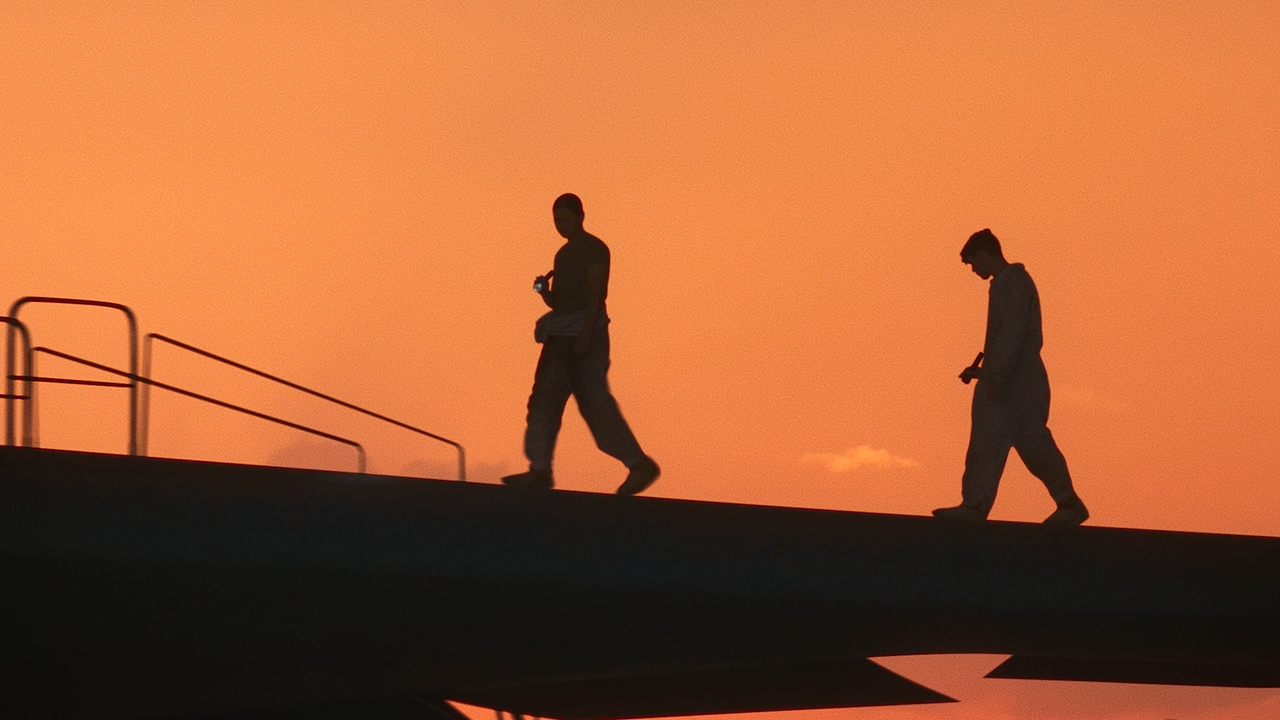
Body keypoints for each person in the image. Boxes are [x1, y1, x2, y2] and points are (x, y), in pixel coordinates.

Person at [501, 193, 660, 495]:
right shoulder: (562, 256)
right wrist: (544, 292)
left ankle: (638, 464)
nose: (561, 225)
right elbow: (561, 304)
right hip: (559, 337)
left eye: (566, 219)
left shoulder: (595, 249)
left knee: (595, 404)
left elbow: (597, 295)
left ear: (580, 217)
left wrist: (586, 334)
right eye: (557, 220)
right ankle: (539, 469)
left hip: (585, 335)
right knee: (543, 402)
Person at [934, 229, 1089, 525]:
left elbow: (1013, 334)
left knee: (1034, 445)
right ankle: (974, 506)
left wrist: (998, 375)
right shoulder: (1003, 285)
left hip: (1019, 387)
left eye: (973, 263)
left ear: (983, 255)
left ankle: (1069, 503)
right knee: (984, 445)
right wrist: (985, 373)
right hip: (1001, 383)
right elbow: (1003, 340)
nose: (974, 270)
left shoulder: (1017, 283)